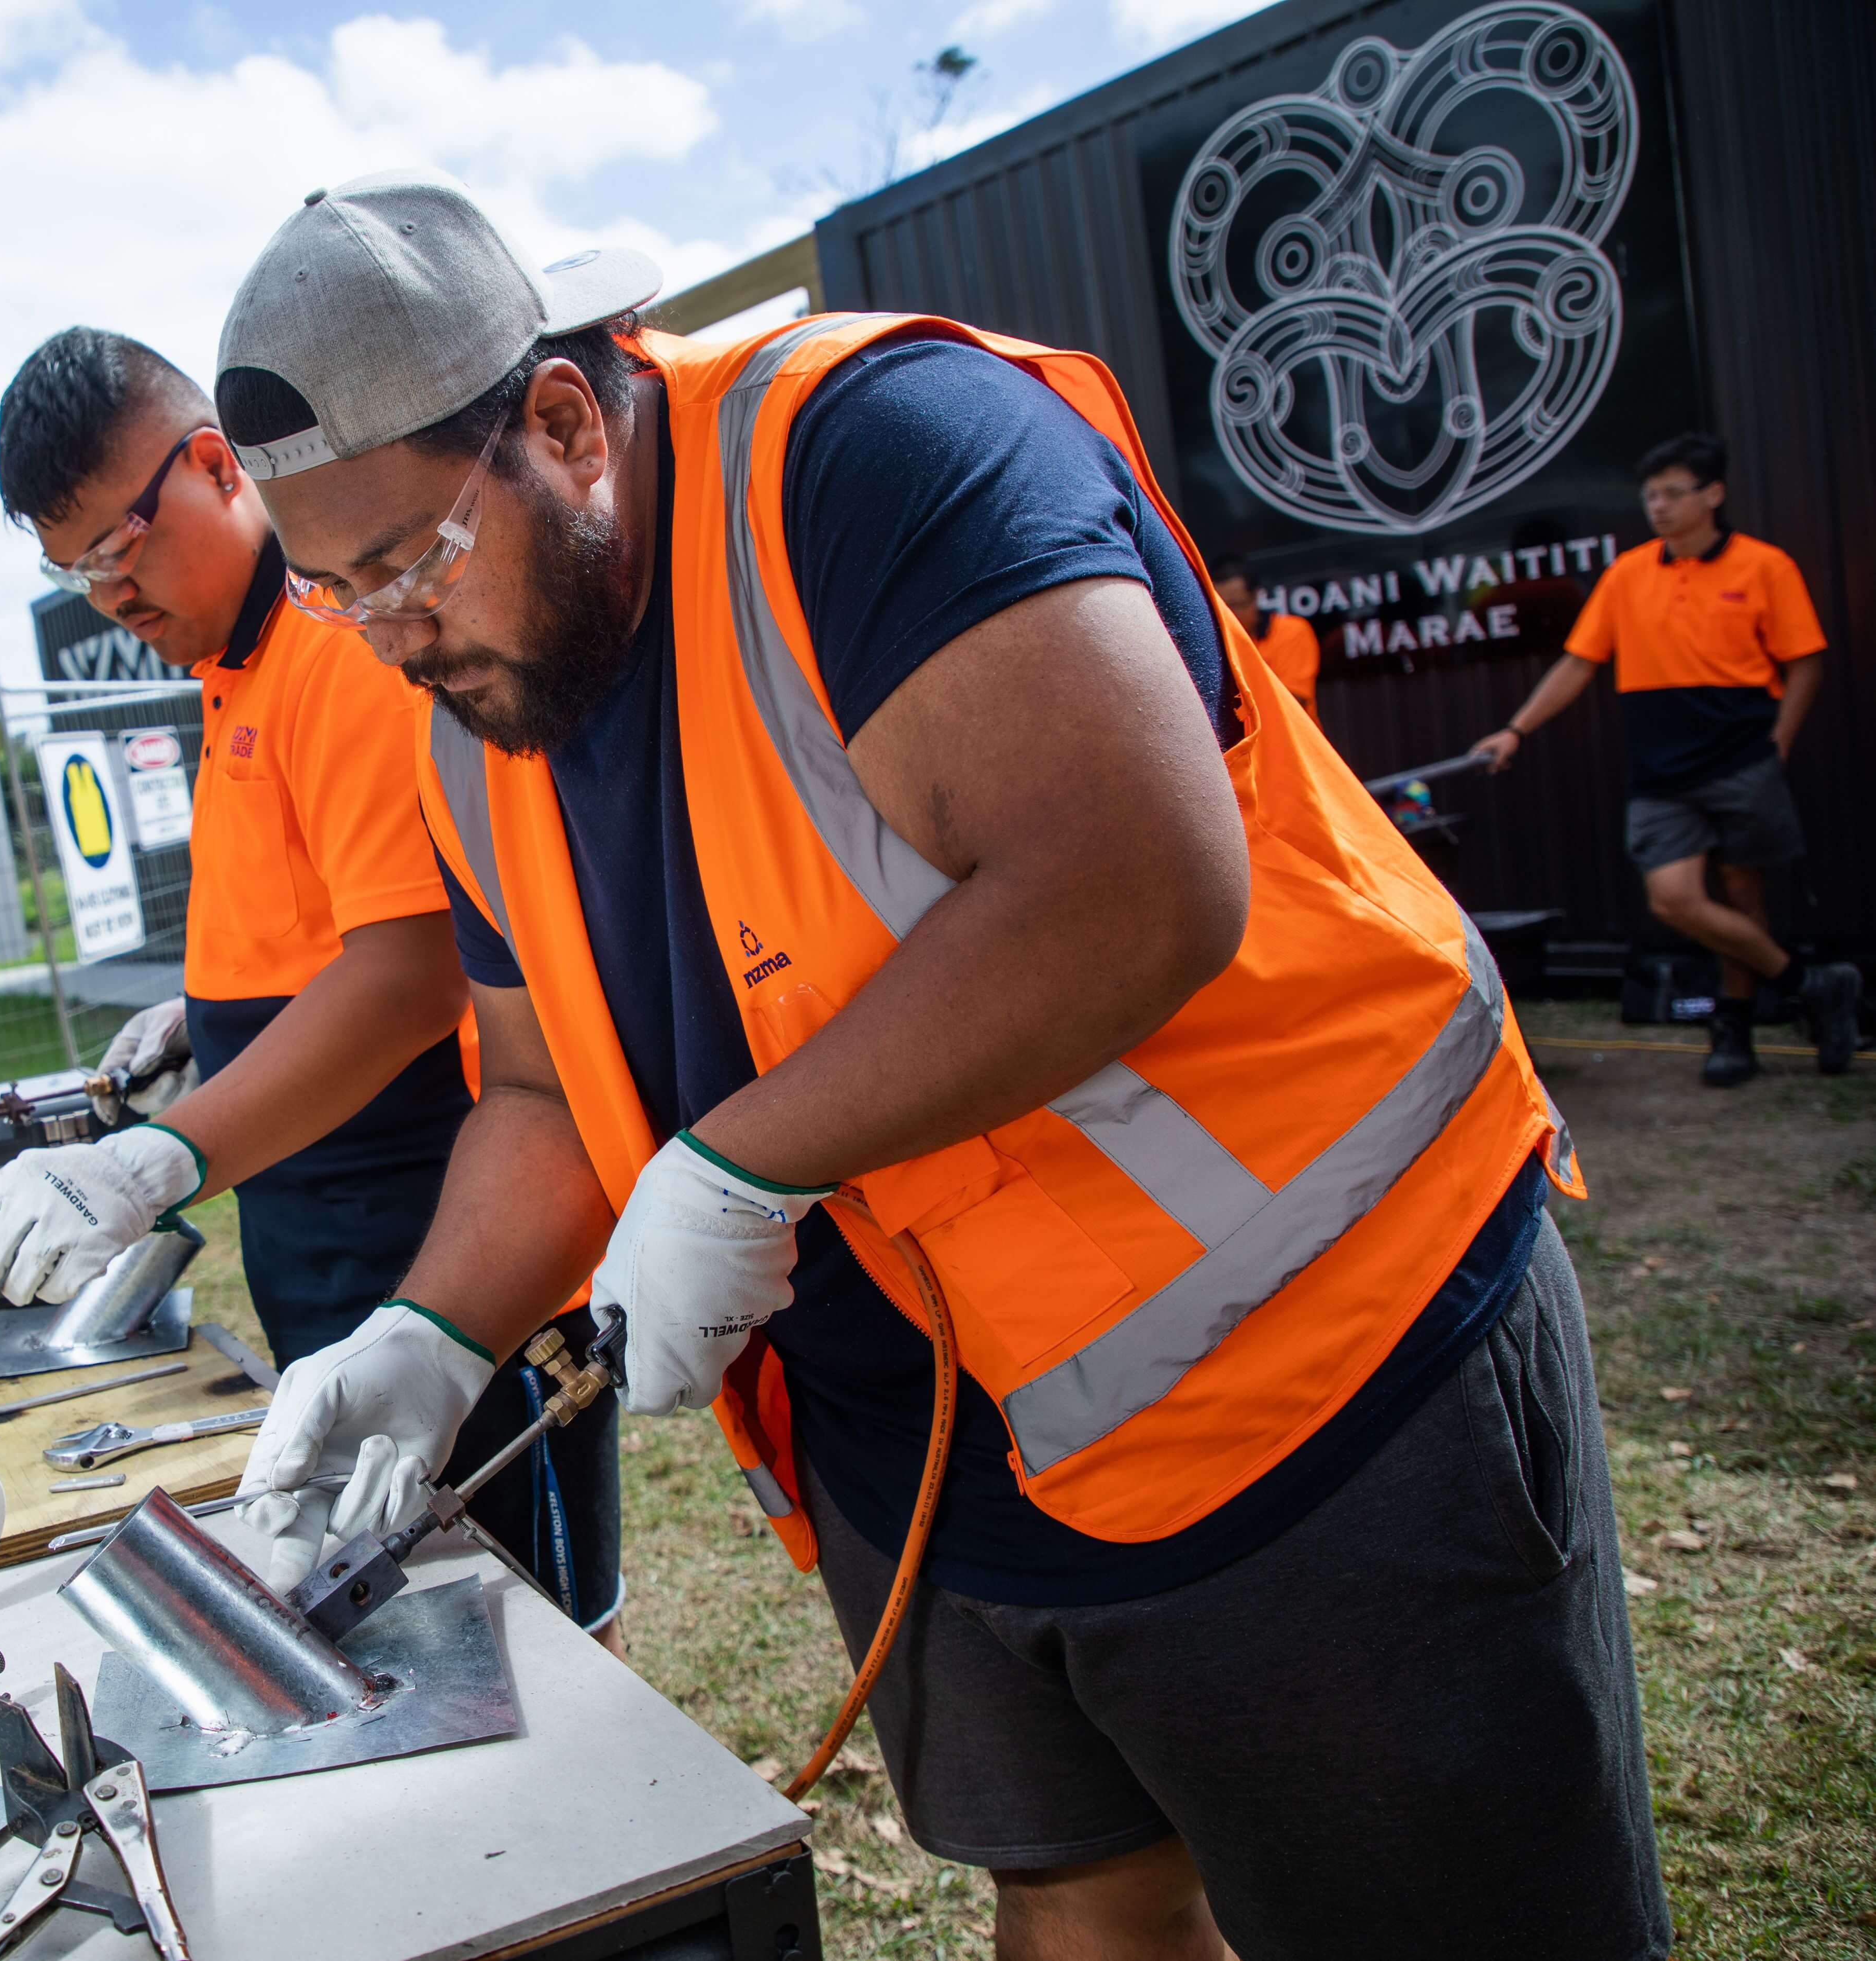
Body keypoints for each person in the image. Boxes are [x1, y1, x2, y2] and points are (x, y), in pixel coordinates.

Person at [218, 172, 1665, 1961]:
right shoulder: (464, 717)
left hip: (1304, 1373)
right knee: (1073, 1897)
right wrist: (432, 1332)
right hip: (923, 1436)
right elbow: (533, 1087)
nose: (386, 632)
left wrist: (744, 1157)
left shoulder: (865, 454)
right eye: (328, 592)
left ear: (564, 423)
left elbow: (1128, 871)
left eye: (407, 562)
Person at [0, 327, 625, 1637]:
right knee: (407, 1635)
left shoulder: (343, 648)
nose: (106, 595)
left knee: (544, 1636)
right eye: (72, 572)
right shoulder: (234, 670)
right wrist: (200, 1018)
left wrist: (151, 1158)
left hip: (449, 1247)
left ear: (215, 465)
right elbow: (312, 931)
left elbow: (413, 970)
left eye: (117, 547)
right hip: (324, 1244)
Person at [1472, 433, 1858, 1085]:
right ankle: (1812, 984)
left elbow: (1805, 663)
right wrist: (1515, 729)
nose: (1658, 506)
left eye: (1672, 493)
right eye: (1650, 495)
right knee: (1673, 898)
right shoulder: (1626, 574)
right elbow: (1577, 663)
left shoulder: (1764, 566)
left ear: (1713, 494)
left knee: (1742, 891)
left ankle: (1733, 1029)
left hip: (1742, 757)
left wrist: (1779, 743)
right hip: (1660, 768)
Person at [1211, 560, 1318, 721]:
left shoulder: (1291, 631)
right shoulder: (1214, 646)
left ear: (1255, 597)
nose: (1231, 615)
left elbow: (1293, 702)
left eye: (1237, 605)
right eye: (1222, 609)